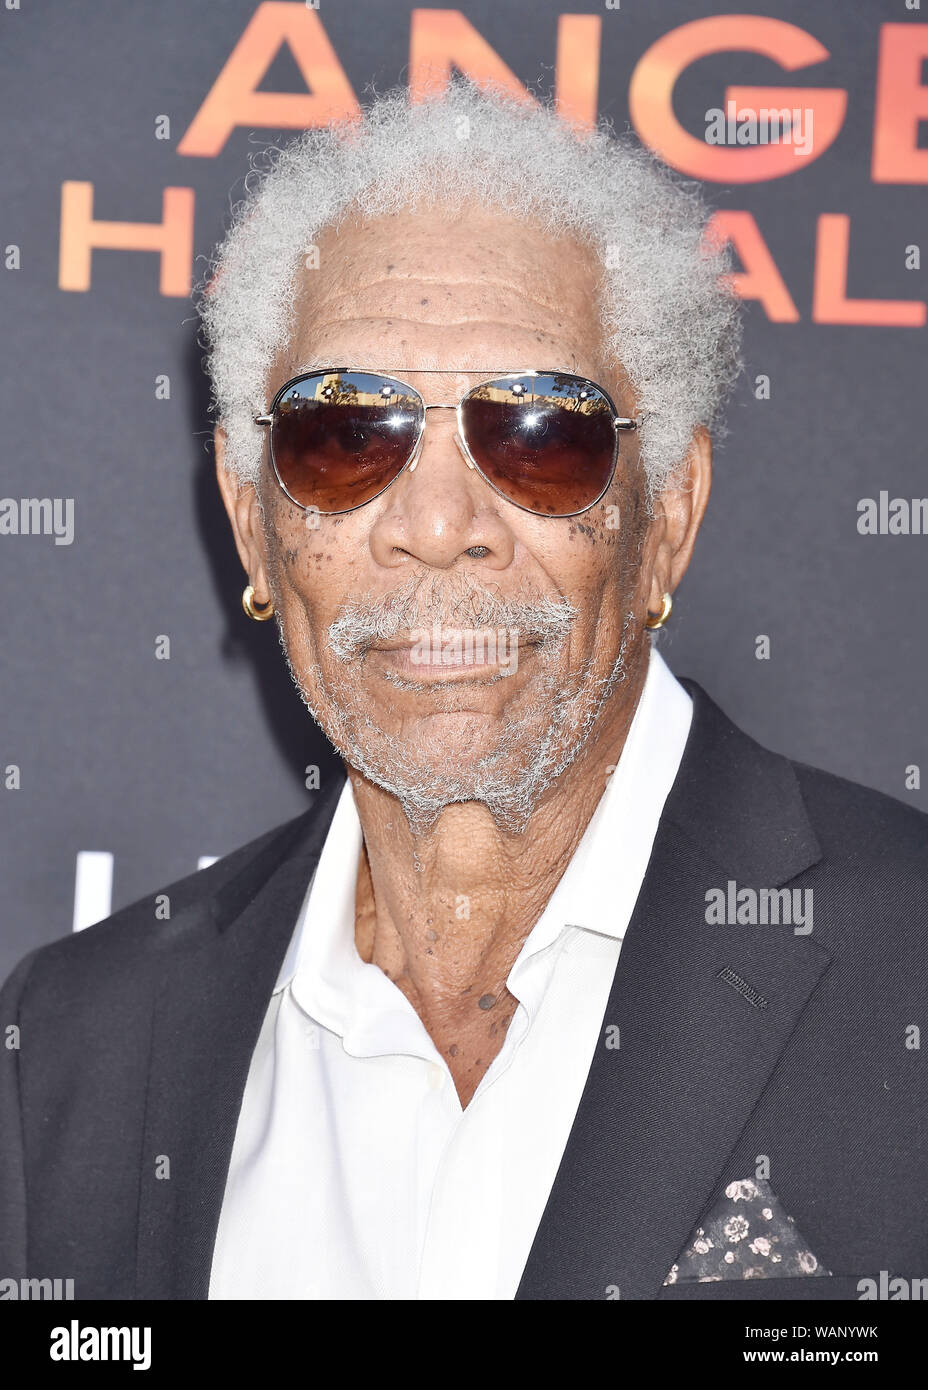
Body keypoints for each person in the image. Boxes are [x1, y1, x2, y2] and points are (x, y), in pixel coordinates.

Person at [1, 80, 925, 1302]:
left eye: (542, 431)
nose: (436, 527)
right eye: (344, 435)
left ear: (668, 517)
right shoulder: (74, 1049)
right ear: (252, 525)